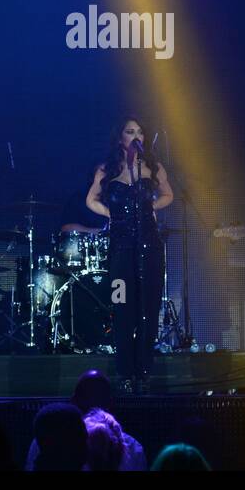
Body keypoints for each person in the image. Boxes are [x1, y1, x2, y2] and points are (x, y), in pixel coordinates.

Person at [85, 117, 173, 393]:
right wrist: (112, 214)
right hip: (122, 245)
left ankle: (143, 372)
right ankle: (124, 372)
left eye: (140, 132)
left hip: (150, 244)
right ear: (120, 137)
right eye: (130, 131)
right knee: (124, 310)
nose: (136, 136)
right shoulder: (107, 168)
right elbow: (91, 200)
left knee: (148, 309)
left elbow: (168, 195)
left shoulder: (153, 167)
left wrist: (152, 208)